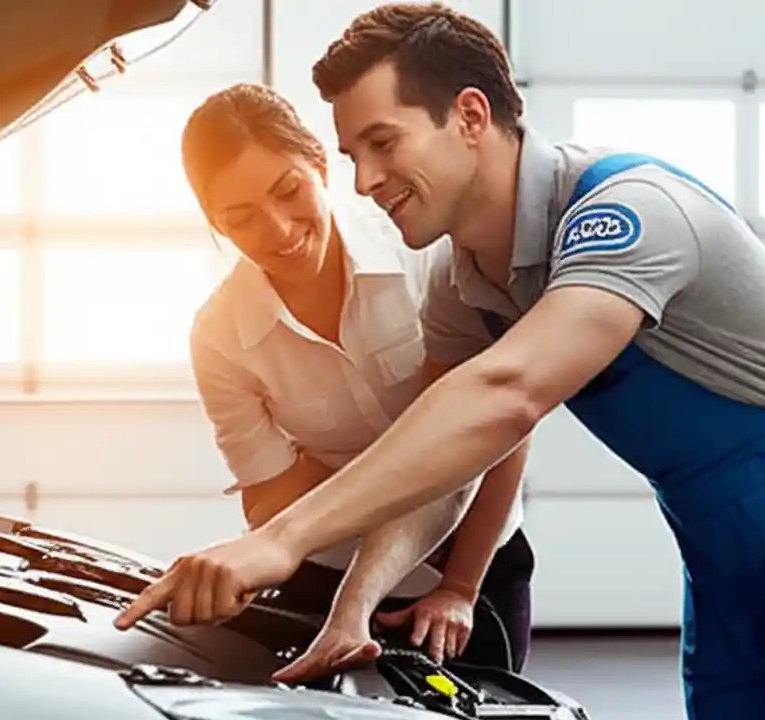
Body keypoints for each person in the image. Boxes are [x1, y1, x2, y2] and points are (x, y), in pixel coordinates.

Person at [117, 4, 765, 718]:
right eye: (352, 154)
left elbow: (504, 398)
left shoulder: (627, 214)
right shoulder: (464, 281)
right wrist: (354, 605)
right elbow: (444, 459)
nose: (362, 180)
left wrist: (285, 539)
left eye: (382, 143)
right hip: (715, 539)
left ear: (470, 116)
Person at [177, 82, 535, 679]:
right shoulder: (217, 337)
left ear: (319, 162)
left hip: (475, 556)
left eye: (289, 192)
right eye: (239, 219)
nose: (278, 230)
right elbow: (267, 493)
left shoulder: (423, 252)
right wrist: (418, 482)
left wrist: (460, 587)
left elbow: (502, 425)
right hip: (326, 572)